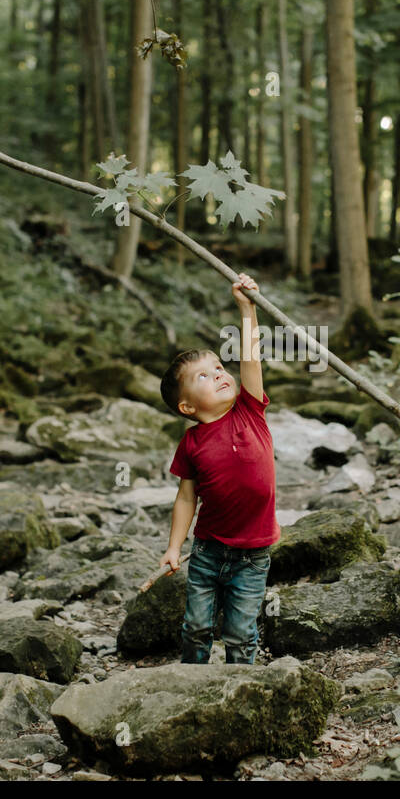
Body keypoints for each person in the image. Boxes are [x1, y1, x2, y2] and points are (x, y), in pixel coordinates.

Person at [158, 272, 279, 664]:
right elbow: (185, 498)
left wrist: (247, 309)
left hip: (254, 553)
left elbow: (250, 358)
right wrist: (174, 548)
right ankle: (192, 684)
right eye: (203, 377)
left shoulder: (250, 409)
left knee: (241, 633)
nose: (219, 374)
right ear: (187, 407)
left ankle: (237, 694)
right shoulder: (191, 442)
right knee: (196, 626)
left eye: (218, 366)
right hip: (209, 550)